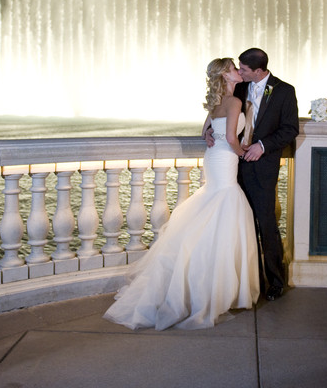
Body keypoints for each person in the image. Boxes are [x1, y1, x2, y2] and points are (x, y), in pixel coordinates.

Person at [103, 58, 259, 330]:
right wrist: (244, 152)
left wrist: (213, 137)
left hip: (213, 157)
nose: (238, 71)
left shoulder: (217, 102)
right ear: (225, 75)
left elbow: (204, 133)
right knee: (225, 209)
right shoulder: (234, 102)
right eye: (234, 68)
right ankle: (213, 289)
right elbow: (233, 139)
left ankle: (199, 283)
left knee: (212, 208)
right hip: (225, 158)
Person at [229, 48, 299, 301]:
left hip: (263, 168)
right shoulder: (238, 87)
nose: (239, 72)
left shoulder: (283, 91)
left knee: (266, 224)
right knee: (241, 226)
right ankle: (251, 280)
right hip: (234, 166)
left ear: (259, 71)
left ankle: (276, 281)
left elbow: (290, 129)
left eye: (244, 69)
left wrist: (263, 145)